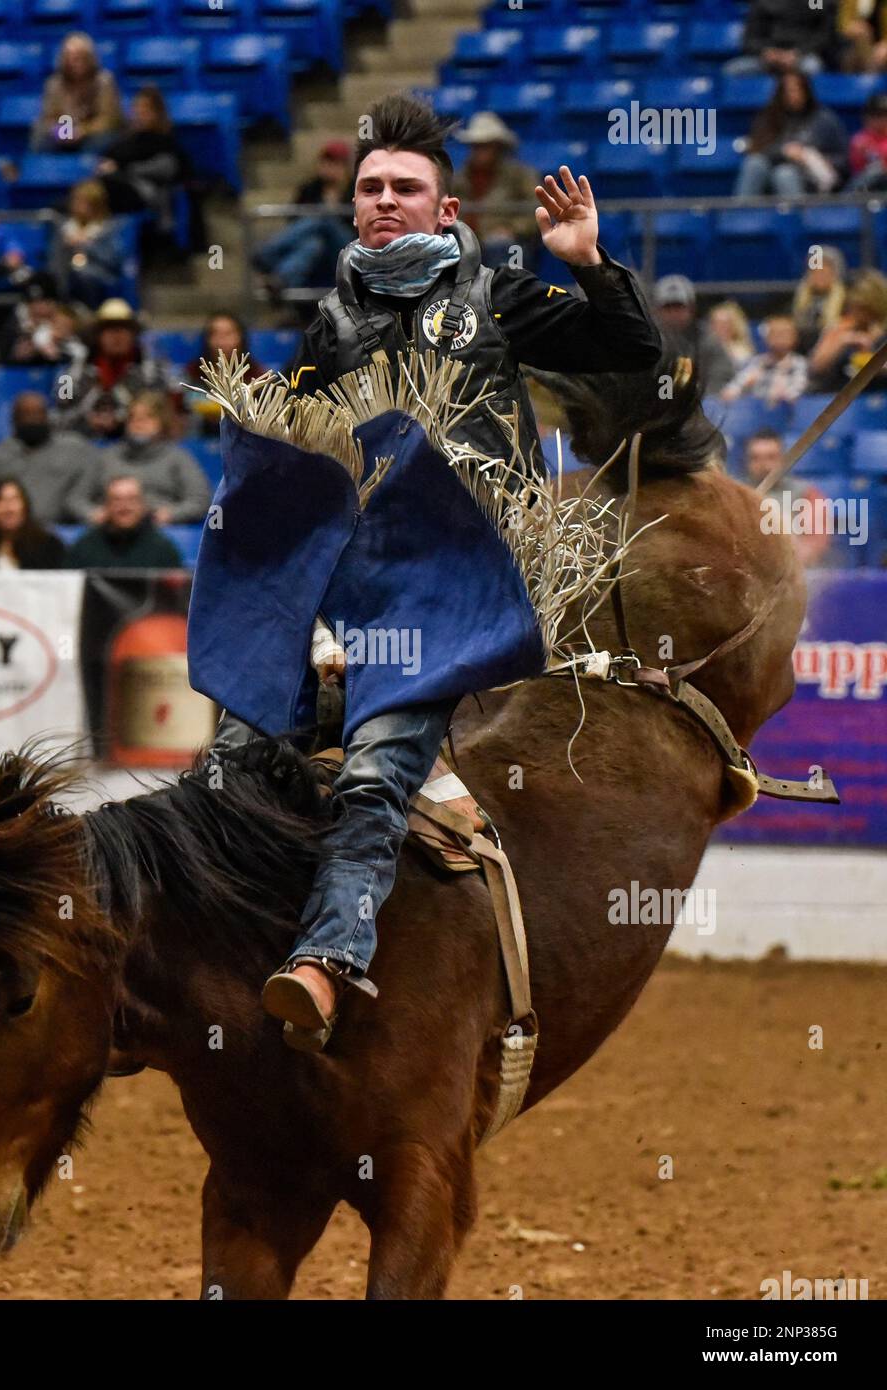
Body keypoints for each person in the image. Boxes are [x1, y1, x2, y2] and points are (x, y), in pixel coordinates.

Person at [194, 93, 662, 1047]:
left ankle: (328, 958)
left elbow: (633, 356)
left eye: (407, 187)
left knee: (376, 764)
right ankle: (194, 941)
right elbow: (314, 466)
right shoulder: (330, 322)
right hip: (367, 582)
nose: (385, 201)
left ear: (447, 210)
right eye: (371, 188)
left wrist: (590, 267)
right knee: (233, 752)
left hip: (475, 584)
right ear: (353, 205)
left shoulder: (498, 296)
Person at [72, 391, 212, 526]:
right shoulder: (105, 457)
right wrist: (93, 513)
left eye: (148, 417)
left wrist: (173, 514)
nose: (138, 423)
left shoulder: (178, 458)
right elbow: (75, 499)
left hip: (161, 533)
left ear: (162, 422)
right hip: (111, 533)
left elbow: (200, 500)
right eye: (132, 417)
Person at [53, 298, 174, 440]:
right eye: (109, 329)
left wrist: (122, 418)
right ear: (98, 335)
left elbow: (161, 413)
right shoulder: (69, 375)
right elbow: (60, 414)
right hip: (85, 444)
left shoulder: (153, 373)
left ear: (133, 335)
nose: (117, 336)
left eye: (123, 329)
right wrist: (87, 418)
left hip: (137, 447)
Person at [0, 392, 99, 525]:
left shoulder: (75, 450)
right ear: (13, 421)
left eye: (38, 414)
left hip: (58, 532)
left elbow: (81, 498)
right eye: (25, 415)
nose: (32, 420)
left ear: (47, 417)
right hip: (4, 531)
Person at [251, 139, 355, 297]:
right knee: (314, 243)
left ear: (345, 167)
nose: (330, 167)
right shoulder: (310, 189)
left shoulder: (355, 189)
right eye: (327, 162)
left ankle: (267, 253)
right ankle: (280, 280)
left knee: (323, 217)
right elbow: (294, 222)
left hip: (346, 248)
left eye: (335, 163)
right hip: (318, 250)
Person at [95, 85, 194, 245]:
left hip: (147, 193)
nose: (139, 114)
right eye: (136, 108)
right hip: (117, 188)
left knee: (106, 187)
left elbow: (166, 170)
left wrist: (122, 168)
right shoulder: (125, 139)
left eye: (145, 110)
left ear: (157, 113)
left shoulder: (165, 141)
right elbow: (105, 159)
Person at [734, 71, 848, 197]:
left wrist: (823, 159)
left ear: (807, 91)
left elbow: (844, 159)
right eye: (788, 91)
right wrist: (785, 151)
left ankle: (796, 215)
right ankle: (742, 213)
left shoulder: (824, 119)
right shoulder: (768, 117)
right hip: (769, 172)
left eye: (797, 90)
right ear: (780, 93)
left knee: (784, 174)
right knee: (754, 163)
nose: (793, 95)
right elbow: (757, 148)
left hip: (809, 176)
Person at [451, 111, 539, 271]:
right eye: (476, 146)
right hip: (467, 240)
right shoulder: (459, 179)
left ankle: (505, 294)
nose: (479, 151)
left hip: (508, 243)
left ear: (498, 147)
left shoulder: (520, 176)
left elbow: (536, 212)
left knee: (501, 247)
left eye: (485, 146)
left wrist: (512, 230)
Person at [743, 428, 831, 566]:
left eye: (771, 457)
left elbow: (812, 548)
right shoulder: (735, 495)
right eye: (755, 458)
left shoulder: (808, 495)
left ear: (782, 460)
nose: (763, 465)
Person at [31, 31, 123, 154]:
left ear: (90, 58)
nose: (75, 61)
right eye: (70, 57)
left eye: (80, 57)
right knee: (40, 132)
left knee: (102, 139)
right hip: (65, 132)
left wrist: (82, 131)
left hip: (92, 133)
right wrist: (62, 132)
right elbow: (49, 117)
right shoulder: (54, 83)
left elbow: (109, 119)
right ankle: (41, 170)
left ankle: (88, 171)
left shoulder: (104, 81)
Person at [66, 474, 183, 568]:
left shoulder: (163, 550)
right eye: (117, 500)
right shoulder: (84, 547)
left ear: (143, 505)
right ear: (106, 506)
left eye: (132, 499)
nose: (125, 507)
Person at [184, 311, 268, 435]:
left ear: (241, 337)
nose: (221, 340)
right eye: (215, 334)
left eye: (228, 334)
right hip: (198, 435)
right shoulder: (193, 372)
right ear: (207, 339)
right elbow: (180, 410)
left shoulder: (257, 375)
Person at [652, 275, 735, 393]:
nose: (674, 314)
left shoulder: (707, 339)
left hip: (701, 405)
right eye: (668, 308)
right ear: (657, 311)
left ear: (692, 308)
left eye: (679, 307)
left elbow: (722, 375)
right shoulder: (648, 340)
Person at [53, 179, 125, 309]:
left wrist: (87, 245)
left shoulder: (108, 228)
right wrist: (67, 246)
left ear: (96, 205)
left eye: (84, 203)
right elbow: (54, 259)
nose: (78, 206)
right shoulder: (65, 228)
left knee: (83, 274)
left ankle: (92, 313)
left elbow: (113, 260)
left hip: (101, 276)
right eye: (76, 201)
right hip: (68, 276)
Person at [807, 274, 887, 391]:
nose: (858, 314)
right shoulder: (839, 329)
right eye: (854, 307)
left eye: (864, 309)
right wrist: (842, 341)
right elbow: (815, 368)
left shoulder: (883, 333)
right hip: (841, 394)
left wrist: (874, 363)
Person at [725, 0, 840, 75]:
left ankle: (810, 112)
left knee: (812, 67)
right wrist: (766, 52)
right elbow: (749, 40)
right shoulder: (763, 3)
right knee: (731, 70)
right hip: (766, 57)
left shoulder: (816, 3)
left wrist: (798, 53)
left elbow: (824, 36)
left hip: (801, 57)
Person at [0, 275, 85, 367]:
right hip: (22, 377)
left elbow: (81, 353)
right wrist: (18, 355)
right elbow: (3, 362)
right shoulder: (14, 325)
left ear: (55, 303)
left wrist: (59, 345)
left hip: (62, 377)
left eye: (45, 302)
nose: (38, 308)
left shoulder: (67, 318)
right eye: (32, 303)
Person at [721, 315, 808, 403]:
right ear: (766, 338)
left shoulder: (799, 363)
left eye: (784, 334)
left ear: (795, 338)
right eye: (774, 334)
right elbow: (736, 385)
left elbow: (798, 389)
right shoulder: (758, 362)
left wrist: (783, 388)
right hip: (756, 409)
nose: (779, 338)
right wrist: (736, 390)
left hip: (786, 411)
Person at [792, 246, 847, 353]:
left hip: (834, 351)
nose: (819, 276)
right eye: (814, 272)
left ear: (835, 273)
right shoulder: (799, 300)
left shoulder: (847, 301)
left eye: (824, 272)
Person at [848, 90, 887, 189]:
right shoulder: (860, 140)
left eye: (883, 115)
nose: (879, 120)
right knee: (874, 172)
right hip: (869, 186)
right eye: (875, 115)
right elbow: (857, 169)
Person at [839, 0, 887, 71]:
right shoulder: (850, 2)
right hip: (855, 44)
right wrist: (852, 28)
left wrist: (885, 44)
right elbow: (841, 25)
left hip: (881, 45)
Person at [708, 301, 757, 370]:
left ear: (735, 325)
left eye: (725, 323)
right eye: (716, 323)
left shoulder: (743, 350)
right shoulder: (704, 348)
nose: (720, 327)